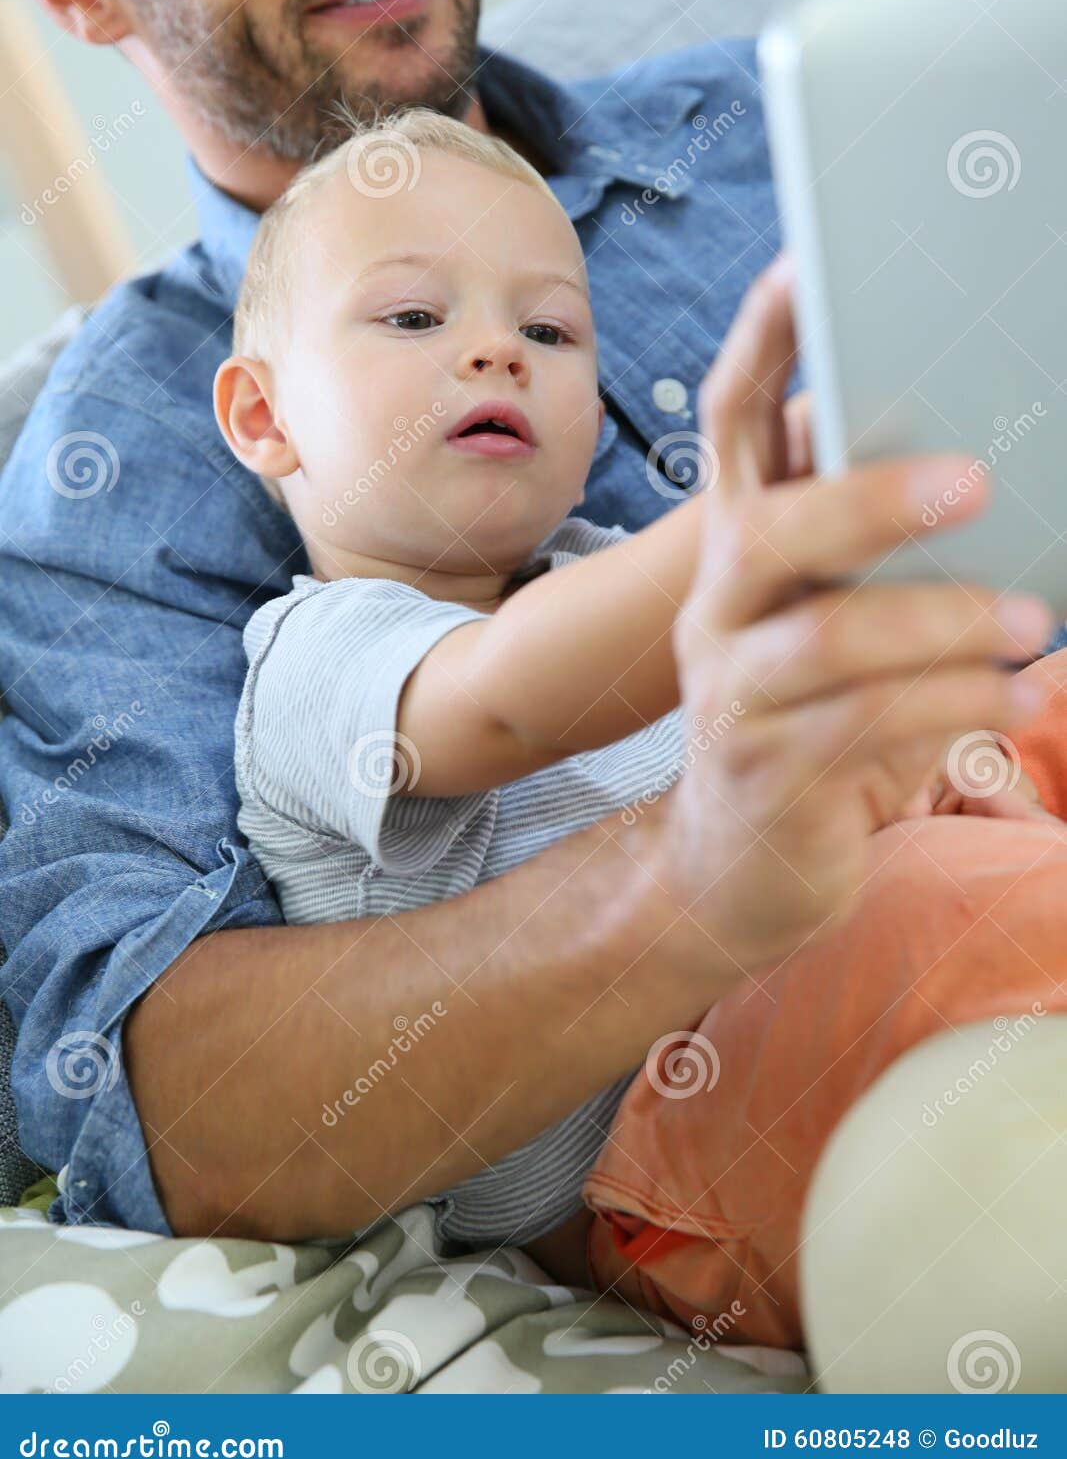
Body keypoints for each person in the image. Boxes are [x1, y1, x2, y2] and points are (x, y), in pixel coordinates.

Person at [0, 0, 1053, 1269]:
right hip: (775, 1059)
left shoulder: (797, 112)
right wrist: (689, 869)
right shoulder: (124, 490)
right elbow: (158, 1108)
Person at [217, 102, 1055, 1275]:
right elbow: (504, 701)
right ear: (264, 415)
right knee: (926, 899)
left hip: (842, 961)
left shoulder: (600, 565)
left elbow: (795, 738)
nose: (497, 349)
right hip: (664, 1160)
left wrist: (947, 768)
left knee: (1032, 706)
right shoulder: (317, 655)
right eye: (414, 315)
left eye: (550, 332)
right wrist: (766, 512)